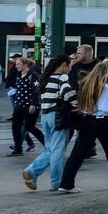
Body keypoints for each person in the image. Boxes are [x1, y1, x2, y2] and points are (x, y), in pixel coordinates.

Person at [57, 60, 108, 194]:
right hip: (102, 121)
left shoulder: (87, 85)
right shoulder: (107, 90)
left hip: (87, 120)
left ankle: (66, 183)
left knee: (77, 154)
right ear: (106, 72)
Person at [22, 55, 76, 192]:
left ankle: (31, 172)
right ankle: (56, 182)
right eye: (69, 65)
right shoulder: (62, 77)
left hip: (45, 116)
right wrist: (77, 104)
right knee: (58, 151)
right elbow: (67, 94)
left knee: (50, 150)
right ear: (63, 65)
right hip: (57, 116)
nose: (70, 69)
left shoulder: (46, 78)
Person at [8, 57, 45, 156]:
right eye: (16, 64)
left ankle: (47, 145)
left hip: (30, 106)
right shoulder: (19, 75)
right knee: (15, 126)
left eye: (18, 64)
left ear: (25, 65)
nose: (16, 66)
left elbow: (36, 90)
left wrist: (33, 104)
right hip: (19, 105)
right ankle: (18, 149)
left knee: (30, 127)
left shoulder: (33, 76)